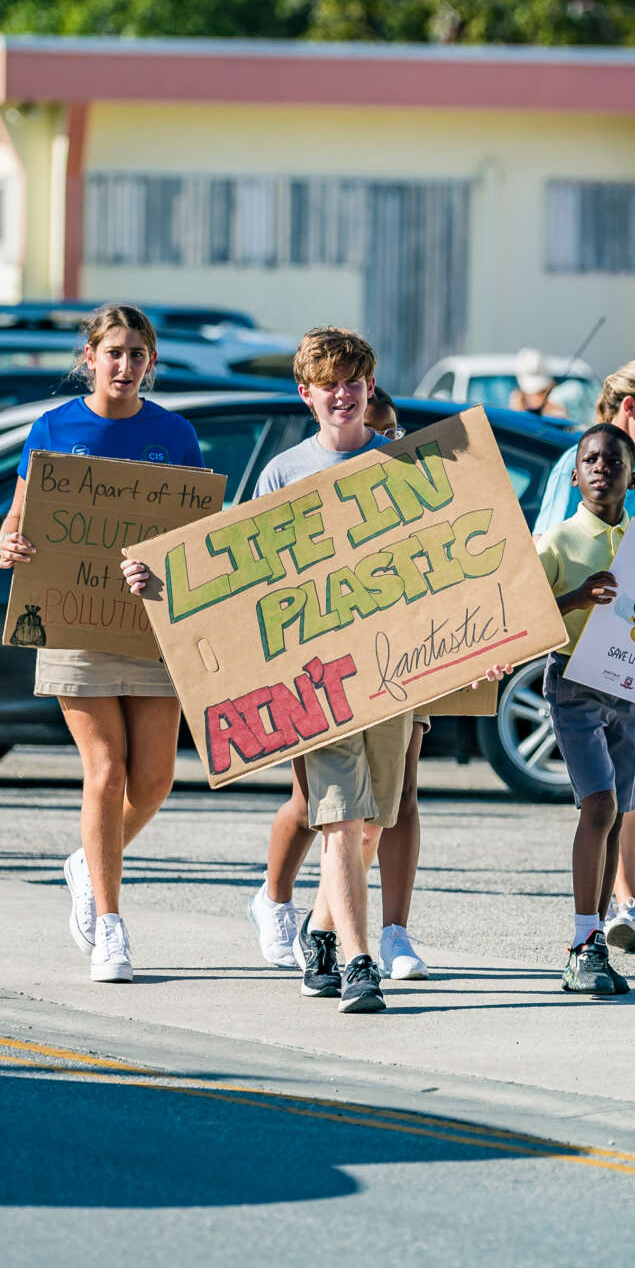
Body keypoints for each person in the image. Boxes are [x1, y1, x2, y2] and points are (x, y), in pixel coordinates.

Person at [0, 304, 203, 982]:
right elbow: (20, 517)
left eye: (137, 353)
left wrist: (170, 568)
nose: (124, 364)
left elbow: (198, 537)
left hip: (150, 624)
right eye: (112, 351)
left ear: (151, 362)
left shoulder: (174, 435)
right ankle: (110, 926)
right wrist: (10, 540)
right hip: (73, 619)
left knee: (156, 778)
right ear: (89, 356)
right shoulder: (54, 428)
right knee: (106, 770)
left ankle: (87, 859)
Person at [248, 386, 434, 982]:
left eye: (355, 379)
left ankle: (320, 928)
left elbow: (437, 565)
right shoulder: (284, 472)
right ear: (307, 392)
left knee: (377, 816)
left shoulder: (401, 465)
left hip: (390, 668)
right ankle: (357, 962)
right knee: (338, 817)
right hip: (315, 674)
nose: (343, 393)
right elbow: (249, 578)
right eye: (329, 381)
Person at [529, 357, 635, 953]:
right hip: (582, 659)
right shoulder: (575, 472)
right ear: (631, 408)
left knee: (628, 794)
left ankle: (626, 907)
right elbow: (547, 557)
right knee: (604, 799)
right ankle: (599, 921)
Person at [539, 424, 635, 997]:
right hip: (574, 684)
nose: (601, 468)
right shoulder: (558, 541)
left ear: (633, 473)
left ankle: (597, 940)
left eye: (613, 460)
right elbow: (526, 616)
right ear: (576, 472)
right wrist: (577, 598)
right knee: (600, 804)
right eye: (590, 459)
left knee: (617, 812)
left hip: (628, 685)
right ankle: (582, 943)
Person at [508, 346, 562, 418]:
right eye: (529, 394)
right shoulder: (517, 401)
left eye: (542, 392)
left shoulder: (560, 398)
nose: (538, 398)